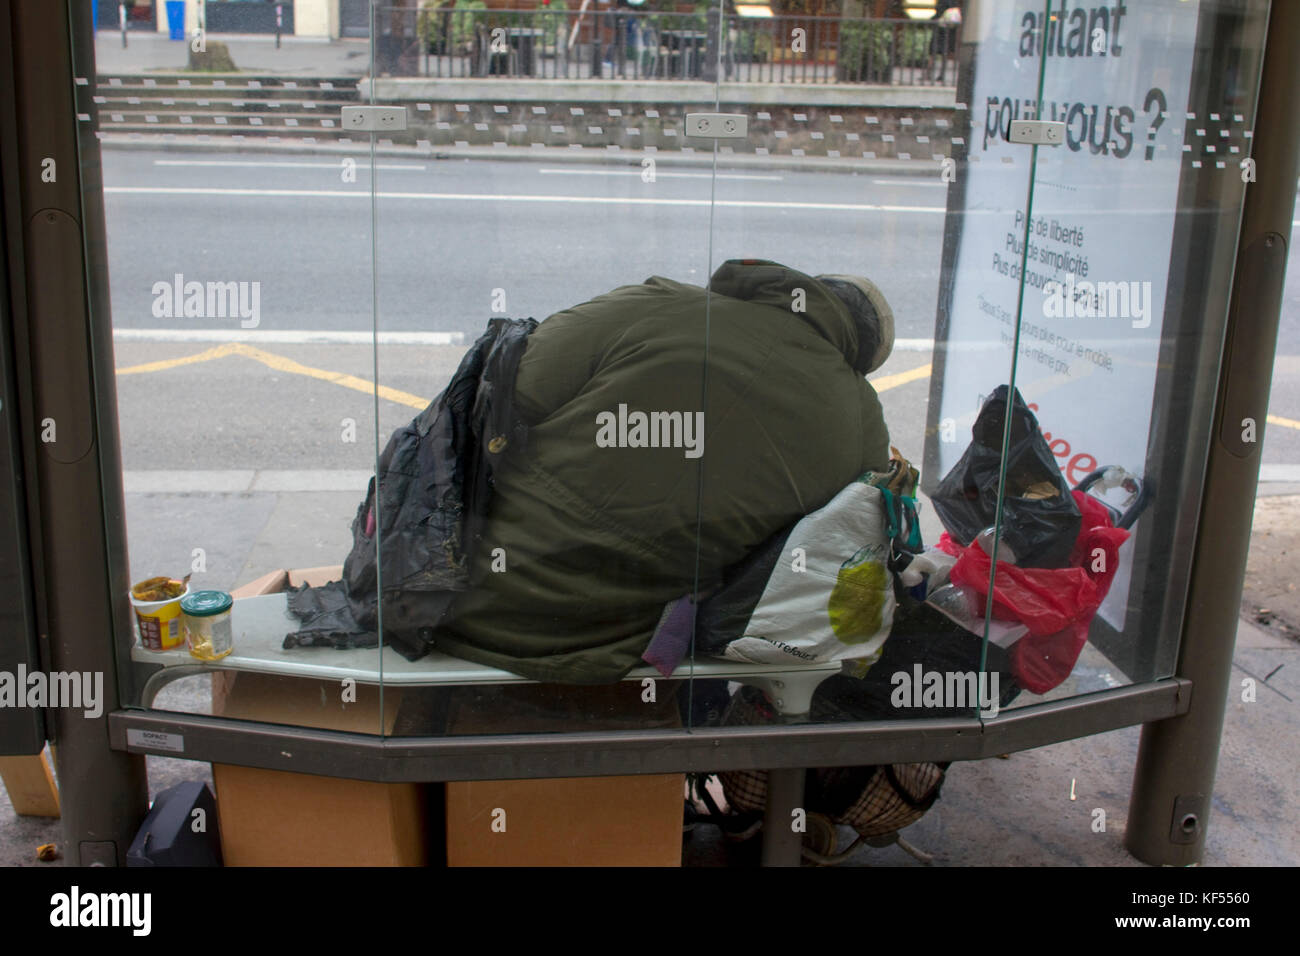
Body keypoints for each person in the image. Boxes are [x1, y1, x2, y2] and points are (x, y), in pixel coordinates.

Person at [430, 258, 896, 684]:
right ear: (858, 357)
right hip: (615, 640)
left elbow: (518, 385)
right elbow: (825, 551)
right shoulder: (860, 419)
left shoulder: (662, 303)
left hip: (471, 598)